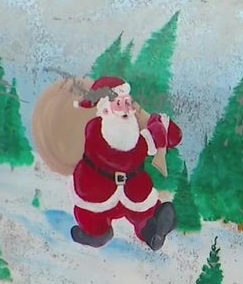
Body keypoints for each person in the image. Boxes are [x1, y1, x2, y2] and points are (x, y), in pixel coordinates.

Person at [69, 76, 183, 250]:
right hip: (99, 194)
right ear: (105, 109)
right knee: (93, 220)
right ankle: (95, 235)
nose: (126, 108)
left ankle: (153, 232)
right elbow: (122, 157)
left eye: (127, 102)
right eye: (119, 103)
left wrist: (157, 123)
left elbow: (173, 137)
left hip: (132, 192)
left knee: (145, 214)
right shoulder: (96, 131)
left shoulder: (133, 133)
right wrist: (150, 135)